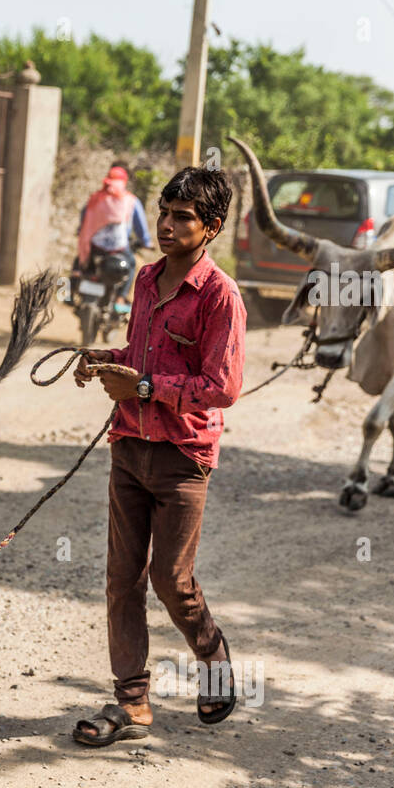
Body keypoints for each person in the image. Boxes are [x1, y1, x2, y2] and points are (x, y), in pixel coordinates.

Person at [70, 165, 246, 746]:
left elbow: (221, 385)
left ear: (212, 227)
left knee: (171, 579)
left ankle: (215, 660)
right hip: (129, 449)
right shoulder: (145, 280)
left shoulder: (220, 296)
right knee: (122, 580)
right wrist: (106, 358)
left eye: (182, 218)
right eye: (164, 214)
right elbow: (142, 351)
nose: (167, 226)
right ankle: (132, 703)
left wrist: (144, 388)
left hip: (181, 458)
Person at [73, 163, 152, 305]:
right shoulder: (130, 201)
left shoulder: (95, 198)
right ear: (124, 182)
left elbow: (84, 220)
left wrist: (81, 232)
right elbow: (141, 228)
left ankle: (72, 291)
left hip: (95, 248)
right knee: (132, 264)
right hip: (119, 248)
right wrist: (147, 242)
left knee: (80, 263)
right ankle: (121, 297)